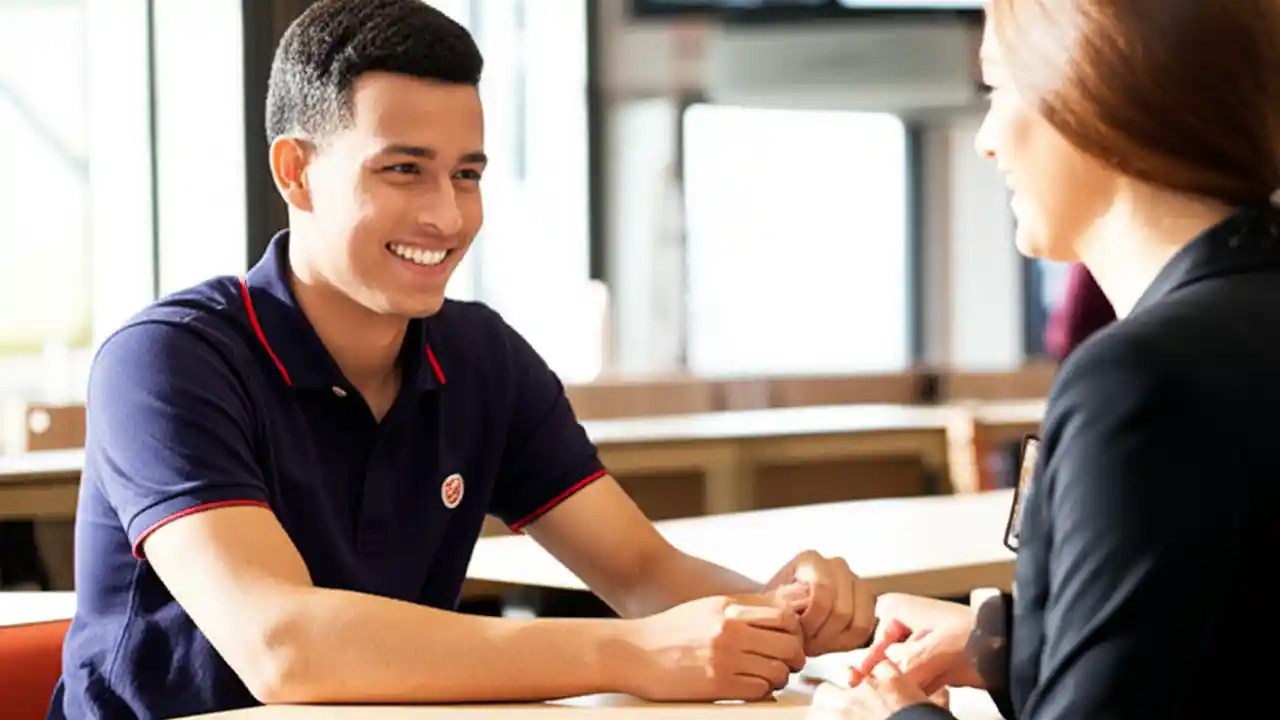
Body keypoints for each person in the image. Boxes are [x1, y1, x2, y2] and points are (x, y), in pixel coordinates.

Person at [49, 2, 877, 717]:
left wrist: (779, 610)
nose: (446, 217)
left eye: (467, 174)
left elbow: (642, 570)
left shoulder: (482, 359)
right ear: (296, 173)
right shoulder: (166, 362)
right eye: (403, 170)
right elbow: (284, 648)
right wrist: (630, 655)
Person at [808, 0, 1280, 718]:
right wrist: (1010, 644)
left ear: (1091, 93)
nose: (986, 140)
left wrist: (895, 716)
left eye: (999, 89)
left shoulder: (1137, 379)